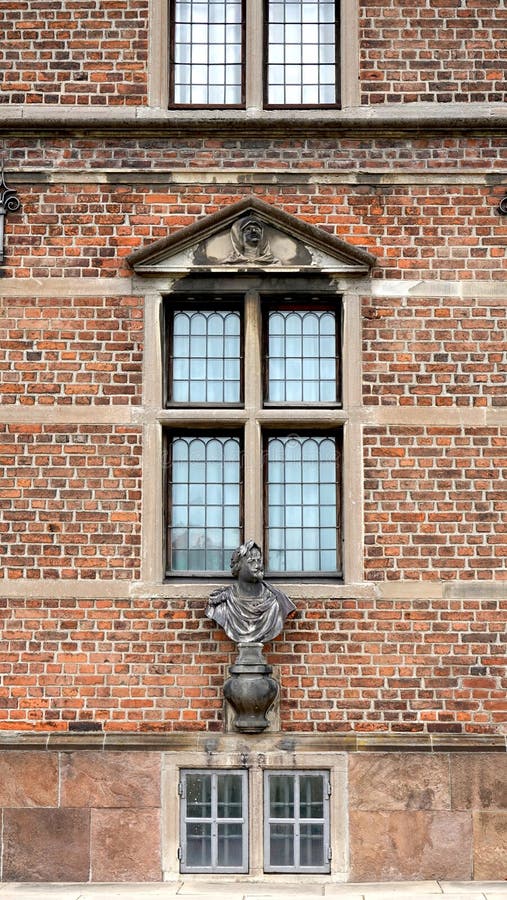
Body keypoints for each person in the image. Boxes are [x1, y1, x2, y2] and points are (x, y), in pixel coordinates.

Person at [206, 541, 295, 644]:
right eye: (251, 561)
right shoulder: (222, 602)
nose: (258, 565)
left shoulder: (276, 602)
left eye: (259, 560)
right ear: (237, 566)